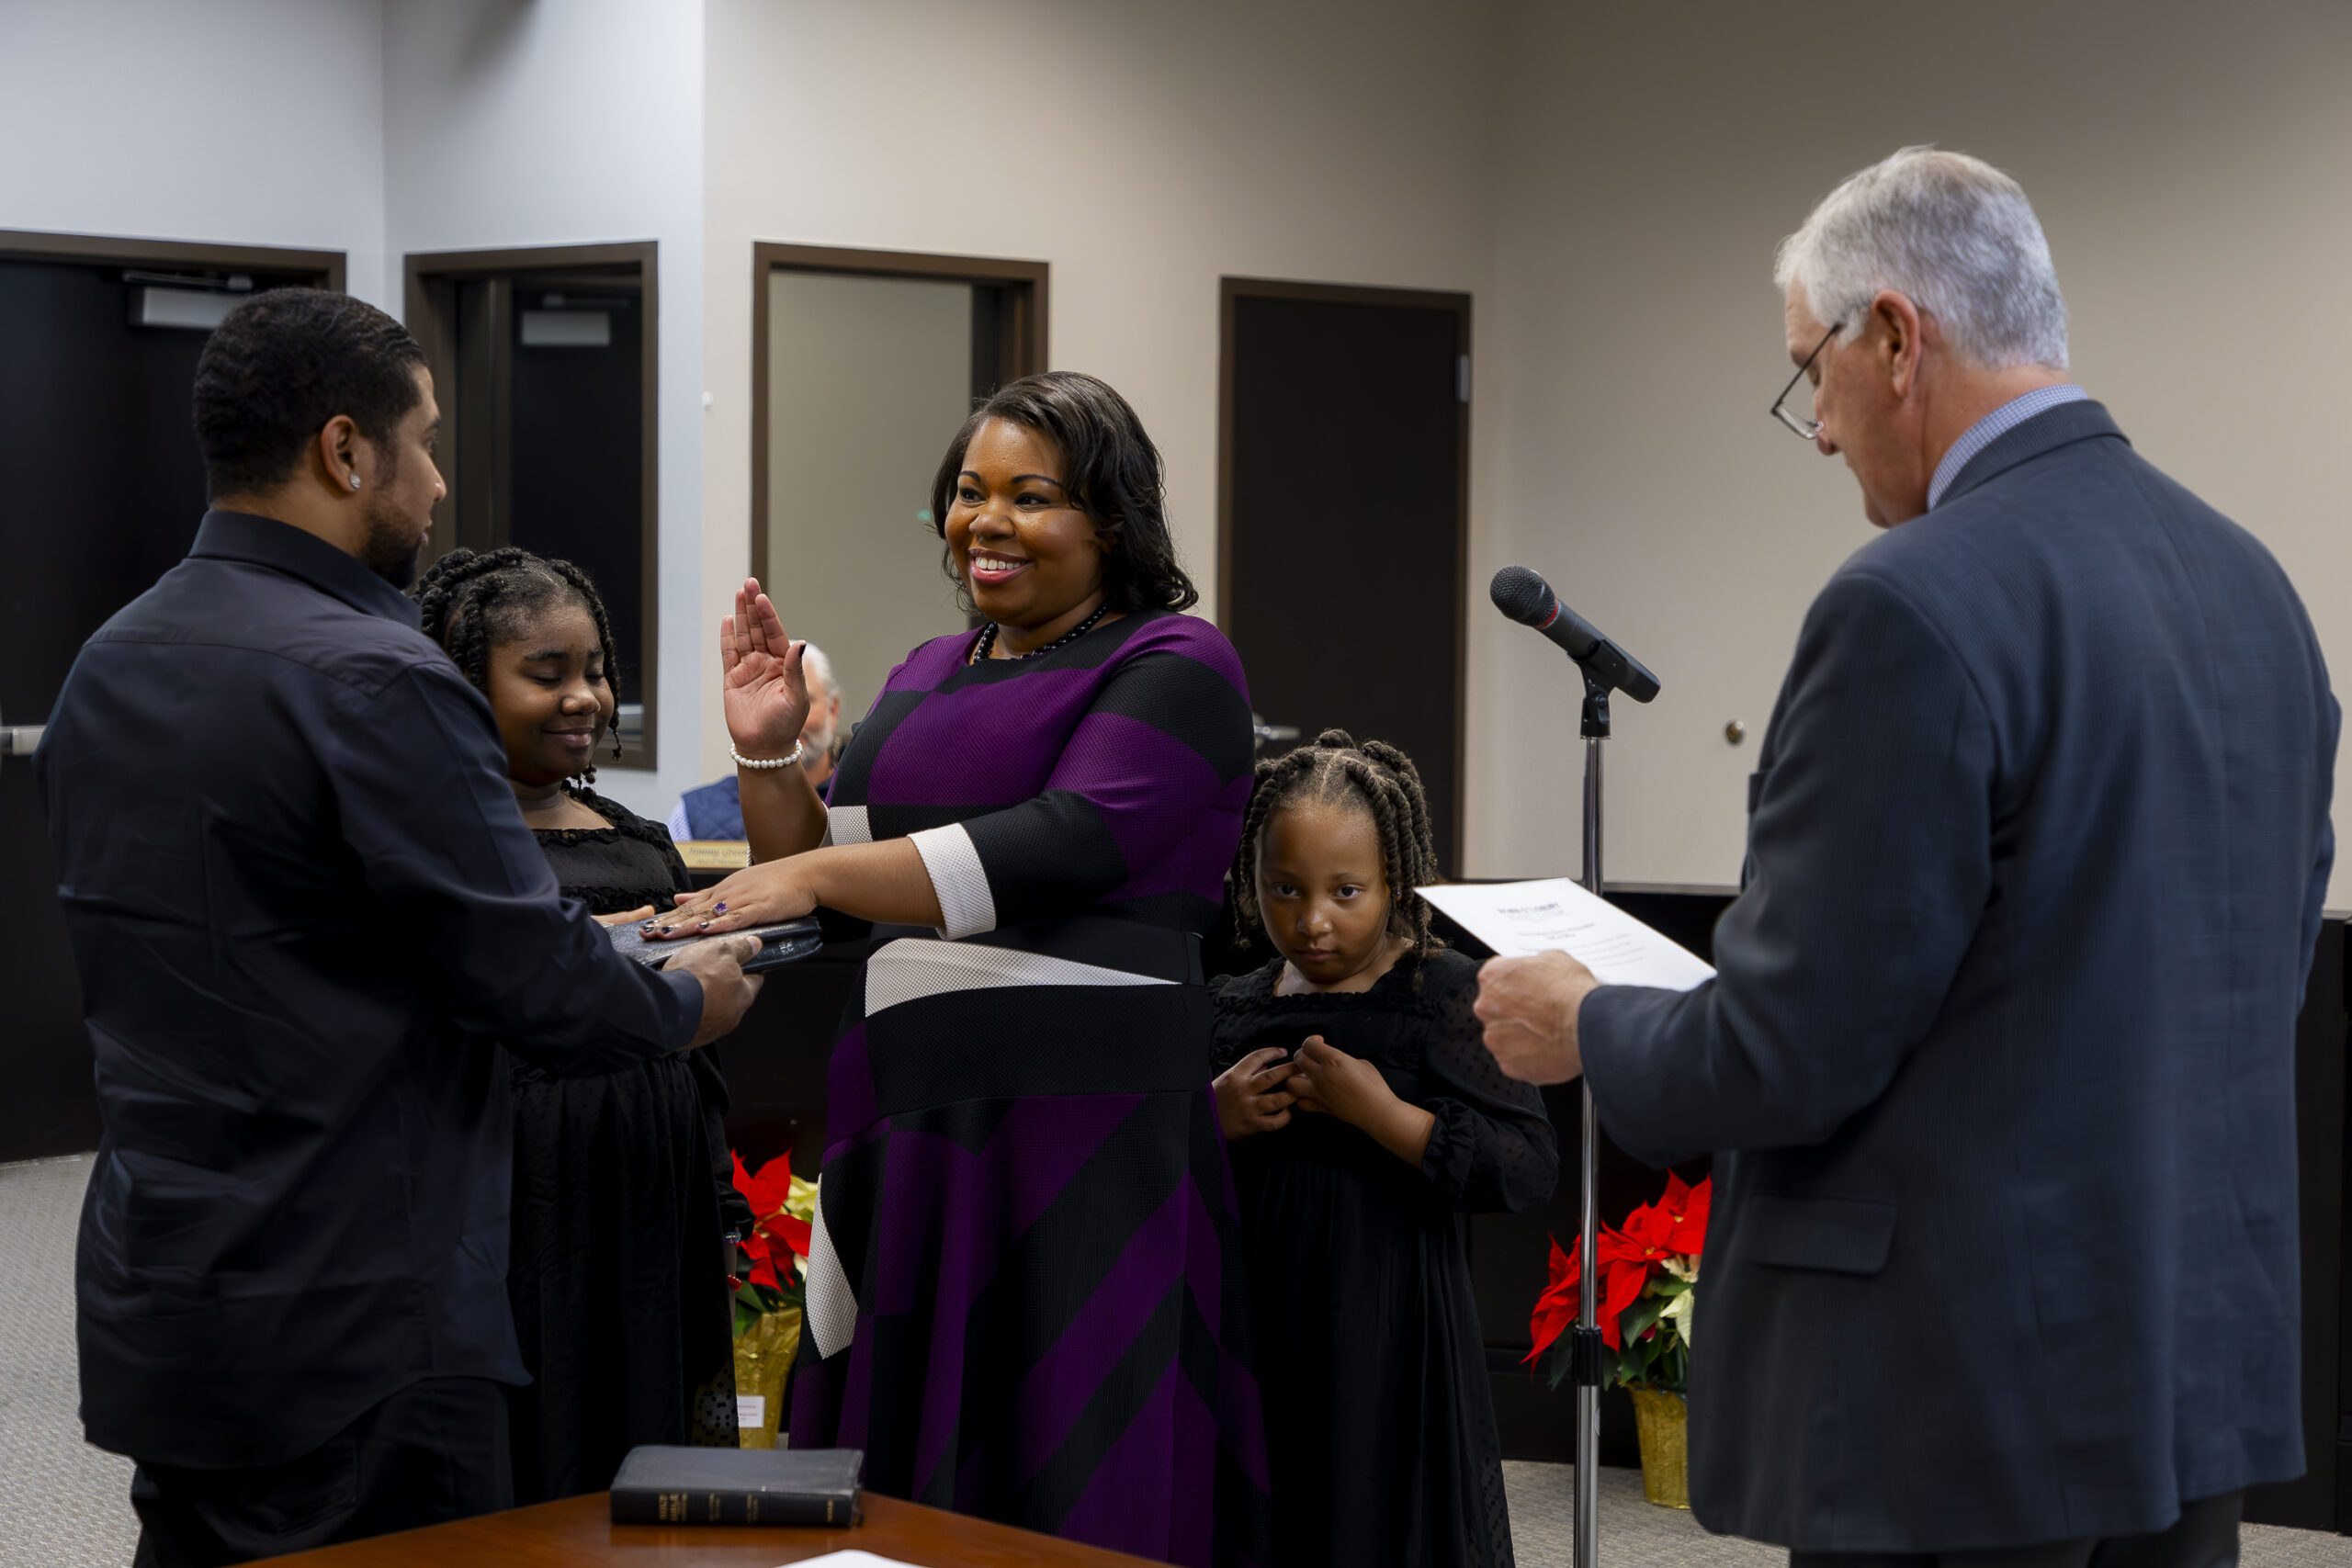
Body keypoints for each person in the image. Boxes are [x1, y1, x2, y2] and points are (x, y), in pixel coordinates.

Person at [1473, 148, 2337, 1566]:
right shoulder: (2250, 583)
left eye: (1809, 369)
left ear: (1894, 333)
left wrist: (1588, 1022)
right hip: (2186, 1365)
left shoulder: (1909, 604)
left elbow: (1788, 1047)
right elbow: (2263, 971)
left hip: (1962, 1400)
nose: (1815, 427)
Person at [32, 288, 764, 1568]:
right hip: (360, 1306)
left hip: (172, 1281)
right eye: (422, 442)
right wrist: (685, 995)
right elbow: (527, 976)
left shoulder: (111, 657)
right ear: (345, 450)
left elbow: (300, 936)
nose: (434, 485)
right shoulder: (375, 672)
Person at [648, 371, 1274, 1565]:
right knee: (912, 1470)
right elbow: (826, 873)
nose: (986, 520)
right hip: (916, 1127)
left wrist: (824, 877)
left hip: (1075, 1131)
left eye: (1031, 495)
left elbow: (1074, 838)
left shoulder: (1178, 658)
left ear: (1112, 517)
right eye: (970, 492)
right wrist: (769, 752)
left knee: (1071, 1448)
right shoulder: (934, 665)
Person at [411, 546, 751, 1499]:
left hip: (649, 1169)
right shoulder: (448, 845)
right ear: (462, 682)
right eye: (546, 673)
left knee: (644, 1407)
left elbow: (698, 1053)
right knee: (536, 1424)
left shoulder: (641, 844)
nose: (585, 697)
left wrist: (717, 1188)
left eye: (596, 670)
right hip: (518, 1178)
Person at [1208, 731, 1555, 1568]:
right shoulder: (1230, 1003)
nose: (1312, 919)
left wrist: (1384, 1114)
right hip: (1256, 1325)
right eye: (1283, 889)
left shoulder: (1445, 995)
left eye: (1346, 891)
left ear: (1395, 881)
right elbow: (1150, 1160)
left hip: (1391, 1333)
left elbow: (1526, 1165)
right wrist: (1206, 1119)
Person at [666, 640, 843, 841]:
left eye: (805, 699)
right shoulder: (692, 813)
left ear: (833, 710)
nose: (789, 715)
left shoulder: (858, 804)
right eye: (774, 701)